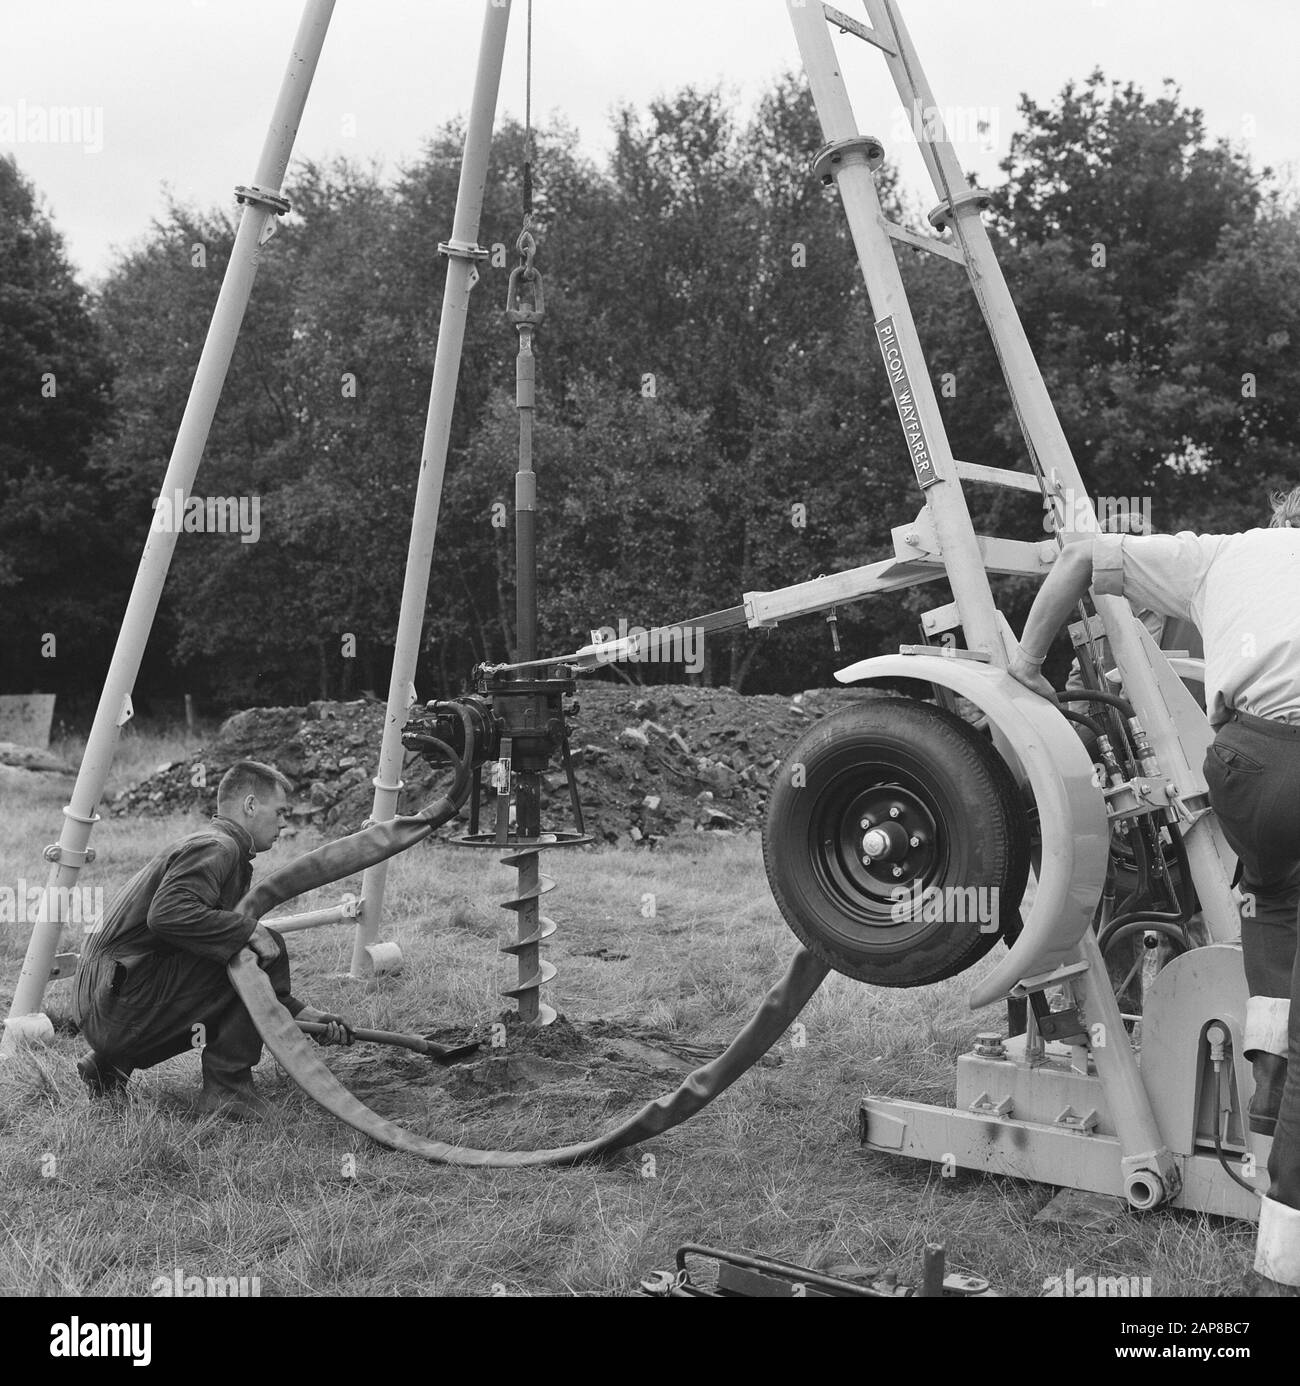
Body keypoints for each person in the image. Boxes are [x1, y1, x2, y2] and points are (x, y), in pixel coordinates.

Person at [1007, 487, 1300, 1294]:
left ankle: (1262, 1123)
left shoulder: (1228, 552)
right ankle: (1283, 1264)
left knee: (1276, 926)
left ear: (1281, 519)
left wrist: (1027, 667)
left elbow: (1078, 557)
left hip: (1246, 771)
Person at [73, 760, 353, 1120]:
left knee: (240, 951)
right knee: (262, 945)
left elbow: (216, 962)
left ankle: (108, 1067)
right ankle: (228, 1089)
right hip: (117, 1003)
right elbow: (168, 915)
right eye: (281, 811)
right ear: (250, 805)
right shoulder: (218, 847)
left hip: (107, 1000)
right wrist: (249, 930)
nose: (285, 823)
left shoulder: (218, 846)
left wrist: (309, 1017)